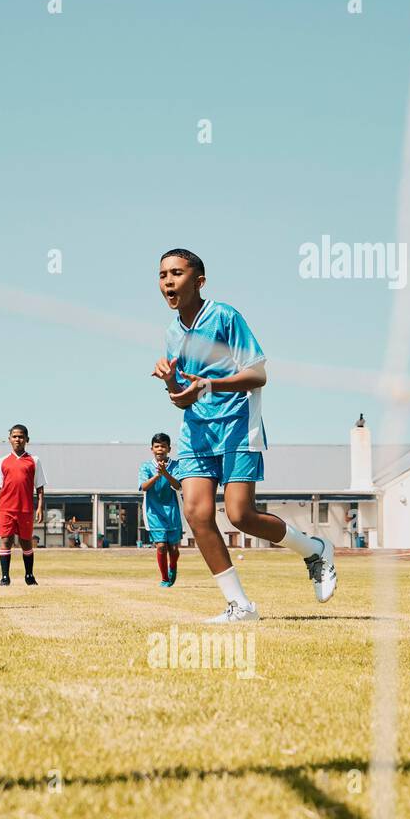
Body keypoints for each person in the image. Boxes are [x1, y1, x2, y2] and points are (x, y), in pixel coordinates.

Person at [152, 248, 336, 622]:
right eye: (162, 275)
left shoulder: (224, 316)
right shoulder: (173, 334)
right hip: (196, 433)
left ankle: (315, 549)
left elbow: (258, 375)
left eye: (177, 273)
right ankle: (240, 606)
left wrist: (208, 386)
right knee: (197, 513)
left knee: (240, 515)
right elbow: (181, 402)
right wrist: (172, 382)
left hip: (237, 423)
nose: (168, 281)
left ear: (199, 281)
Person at [0, 424, 44, 585]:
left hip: (25, 508)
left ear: (27, 439)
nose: (17, 439)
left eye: (21, 436)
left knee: (26, 541)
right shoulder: (2, 461)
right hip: (6, 509)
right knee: (6, 540)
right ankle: (5, 577)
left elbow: (40, 487)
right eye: (14, 436)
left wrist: (40, 507)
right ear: (9, 439)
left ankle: (29, 576)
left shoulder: (34, 461)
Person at [138, 432, 183, 586]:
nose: (160, 449)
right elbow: (143, 487)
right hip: (154, 512)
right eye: (157, 446)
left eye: (163, 446)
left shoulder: (176, 465)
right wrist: (157, 475)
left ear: (169, 449)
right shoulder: (145, 467)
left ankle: (173, 567)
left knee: (173, 549)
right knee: (162, 546)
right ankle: (164, 578)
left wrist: (166, 473)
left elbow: (178, 485)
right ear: (152, 449)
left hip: (172, 511)